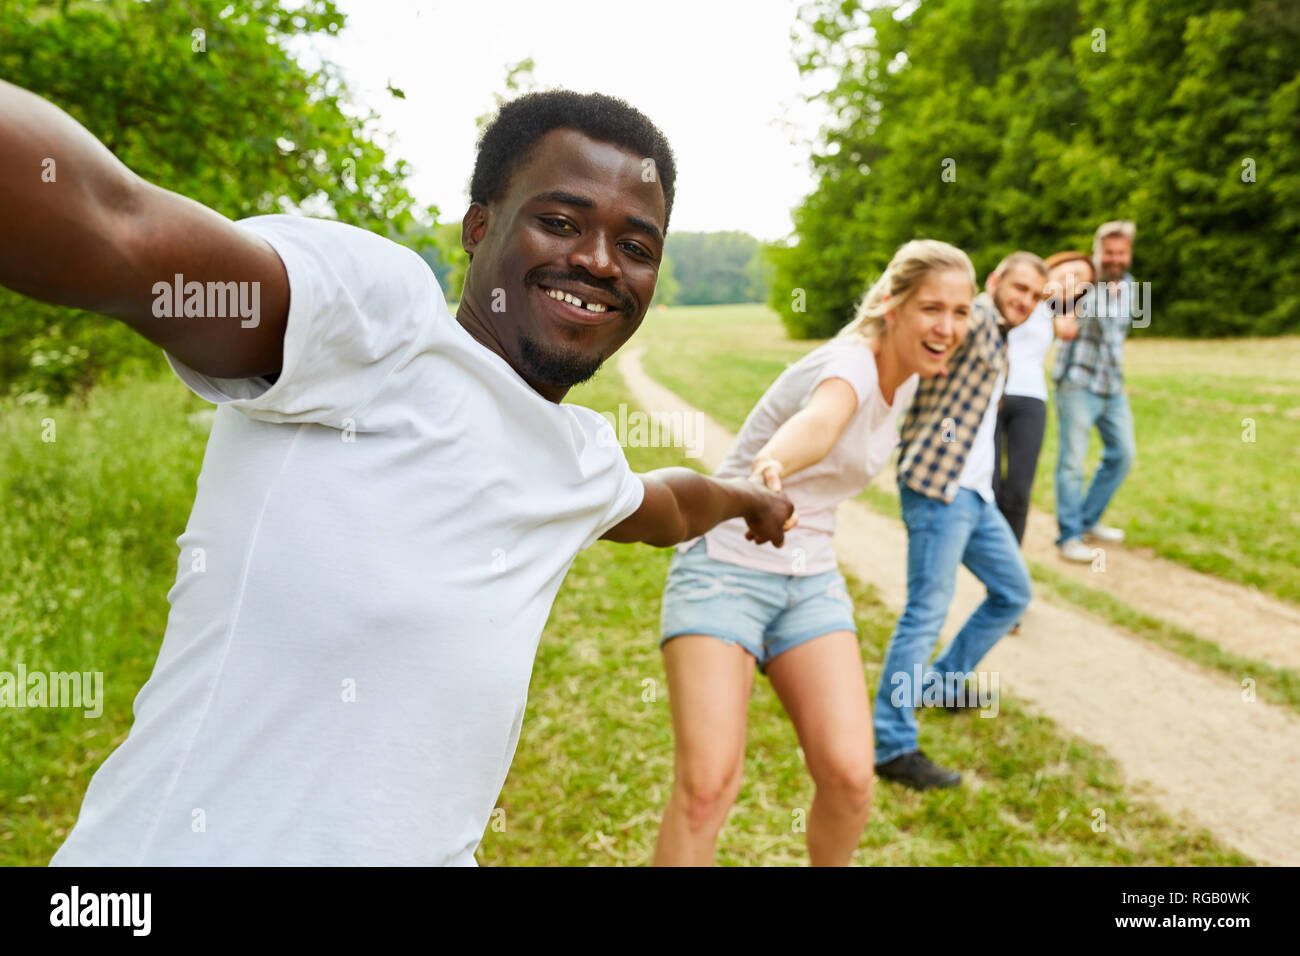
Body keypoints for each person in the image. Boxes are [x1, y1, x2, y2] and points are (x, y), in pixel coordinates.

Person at [0, 81, 795, 866]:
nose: (598, 263)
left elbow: (666, 508)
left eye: (636, 247)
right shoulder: (379, 329)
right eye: (560, 222)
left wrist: (749, 500)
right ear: (478, 226)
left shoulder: (580, 460)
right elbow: (120, 228)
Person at [653, 240, 975, 866]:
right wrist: (773, 462)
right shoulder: (853, 363)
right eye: (933, 308)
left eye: (961, 312)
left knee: (852, 779)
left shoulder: (908, 375)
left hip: (810, 580)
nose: (948, 327)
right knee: (706, 789)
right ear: (891, 305)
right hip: (726, 569)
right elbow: (823, 423)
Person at [873, 252, 1044, 791]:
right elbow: (908, 334)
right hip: (936, 488)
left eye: (1034, 296)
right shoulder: (970, 321)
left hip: (975, 494)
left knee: (1012, 592)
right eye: (1017, 288)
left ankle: (942, 684)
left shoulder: (1000, 334)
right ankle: (891, 744)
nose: (1024, 300)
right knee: (925, 613)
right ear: (993, 283)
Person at [1052, 221, 1140, 563]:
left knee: (1123, 454)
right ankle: (1069, 537)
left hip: (1112, 385)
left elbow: (1120, 332)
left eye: (1122, 252)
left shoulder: (1131, 286)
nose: (1116, 259)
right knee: (1072, 463)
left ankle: (1088, 519)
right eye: (1109, 252)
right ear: (1097, 253)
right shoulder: (1081, 283)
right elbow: (1063, 322)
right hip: (1077, 382)